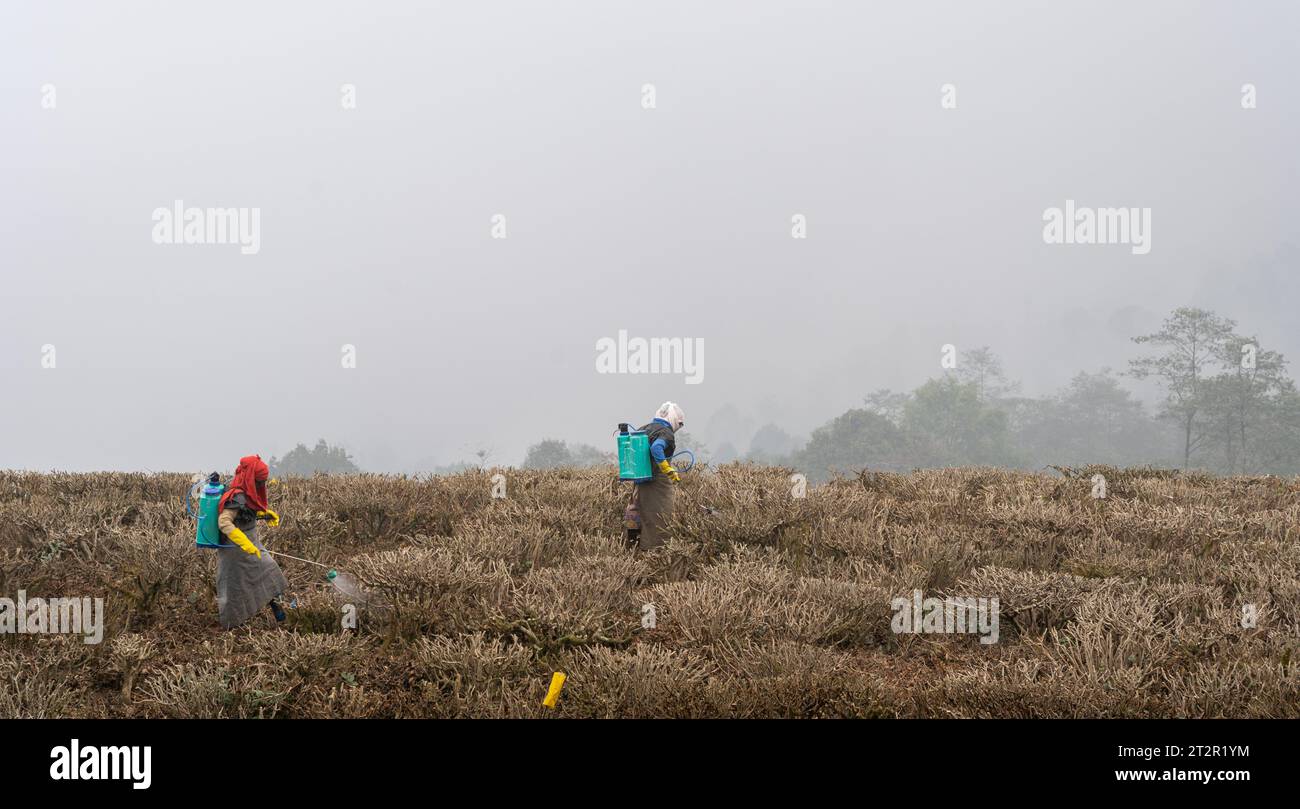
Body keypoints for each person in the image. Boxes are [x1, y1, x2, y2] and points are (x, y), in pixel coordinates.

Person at [215, 455, 289, 628]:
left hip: (251, 543)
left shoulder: (246, 492)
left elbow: (246, 512)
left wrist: (264, 514)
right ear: (251, 478)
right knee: (234, 588)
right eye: (259, 481)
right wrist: (244, 543)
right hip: (235, 549)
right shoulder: (236, 496)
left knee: (270, 571)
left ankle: (277, 608)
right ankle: (231, 626)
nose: (261, 485)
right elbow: (224, 522)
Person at [625, 402, 685, 551]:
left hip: (639, 485)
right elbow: (656, 448)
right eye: (680, 424)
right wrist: (668, 469)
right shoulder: (666, 432)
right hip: (657, 488)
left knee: (639, 518)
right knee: (660, 523)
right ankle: (655, 559)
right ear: (672, 419)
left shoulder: (643, 429)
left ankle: (633, 555)